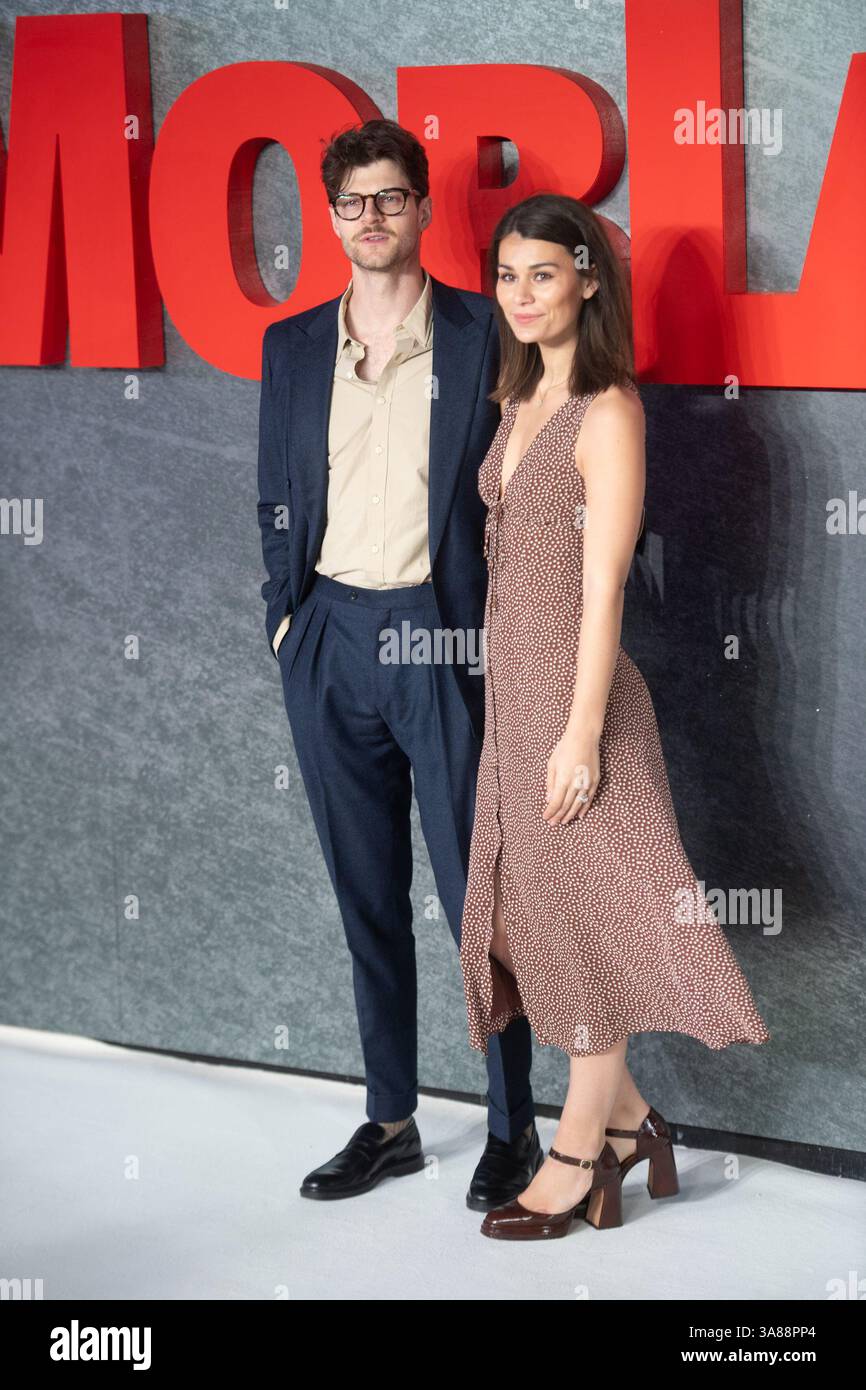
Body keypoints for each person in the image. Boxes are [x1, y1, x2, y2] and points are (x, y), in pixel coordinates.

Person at [457, 192, 771, 1241]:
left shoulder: (609, 411)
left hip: (578, 705)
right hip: (514, 702)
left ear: (587, 280)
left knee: (586, 932)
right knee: (535, 923)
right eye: (506, 276)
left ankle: (581, 1150)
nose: (520, 295)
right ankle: (639, 1124)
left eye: (541, 273)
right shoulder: (517, 403)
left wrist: (581, 733)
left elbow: (603, 590)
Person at [256, 119, 543, 1208]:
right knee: (364, 890)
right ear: (330, 220)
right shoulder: (290, 347)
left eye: (389, 198)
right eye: (350, 203)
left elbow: (531, 485)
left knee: (481, 898)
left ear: (422, 208)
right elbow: (273, 494)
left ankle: (511, 1125)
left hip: (443, 638)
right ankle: (390, 1120)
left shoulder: (482, 334)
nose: (369, 218)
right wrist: (287, 620)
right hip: (329, 638)